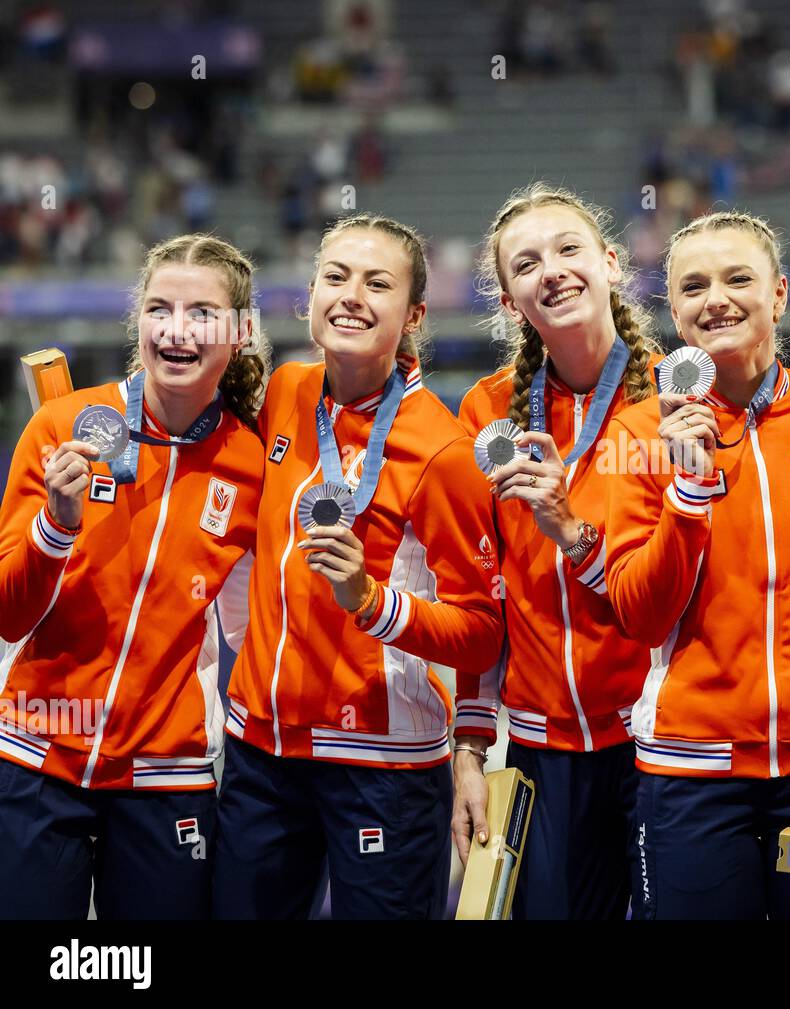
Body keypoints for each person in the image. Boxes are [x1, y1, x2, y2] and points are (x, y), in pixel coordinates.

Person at [212, 214, 504, 920]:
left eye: (378, 283)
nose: (351, 295)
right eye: (336, 277)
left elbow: (483, 632)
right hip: (261, 748)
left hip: (384, 765)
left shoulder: (442, 449)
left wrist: (371, 601)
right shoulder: (284, 392)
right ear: (309, 297)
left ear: (414, 315)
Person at [603, 211, 790, 920]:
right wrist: (687, 492)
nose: (715, 297)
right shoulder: (641, 430)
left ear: (780, 293)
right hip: (692, 767)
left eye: (737, 278)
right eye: (693, 285)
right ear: (674, 308)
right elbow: (640, 611)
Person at [0, 234, 268, 919]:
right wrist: (56, 526)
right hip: (36, 756)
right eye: (159, 309)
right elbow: (7, 616)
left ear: (238, 333)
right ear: (139, 324)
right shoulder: (63, 427)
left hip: (166, 775)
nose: (176, 330)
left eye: (201, 312)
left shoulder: (251, 464)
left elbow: (251, 624)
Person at [452, 185, 660, 919]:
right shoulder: (485, 412)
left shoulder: (675, 401)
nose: (553, 270)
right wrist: (471, 750)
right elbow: (480, 594)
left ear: (609, 262)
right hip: (542, 750)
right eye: (527, 263)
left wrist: (573, 531)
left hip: (657, 738)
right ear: (511, 300)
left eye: (569, 249)